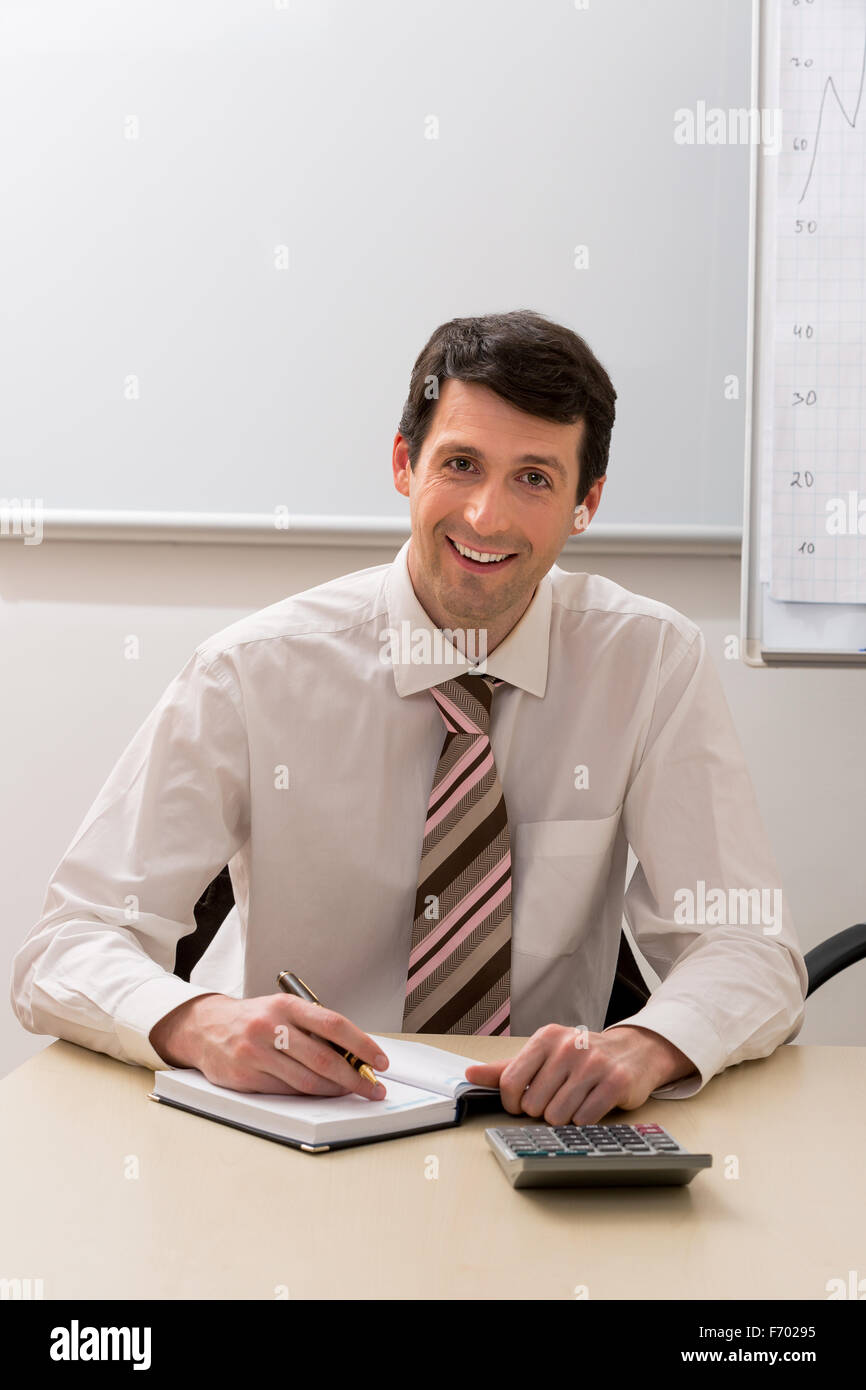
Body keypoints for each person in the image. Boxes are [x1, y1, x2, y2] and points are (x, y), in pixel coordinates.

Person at [10, 309, 807, 1127]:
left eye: (534, 477)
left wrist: (646, 1045)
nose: (487, 516)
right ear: (404, 463)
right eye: (461, 464)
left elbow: (748, 946)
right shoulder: (250, 673)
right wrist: (198, 1022)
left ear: (585, 503)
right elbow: (65, 945)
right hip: (289, 1118)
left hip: (531, 1125)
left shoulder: (648, 664)